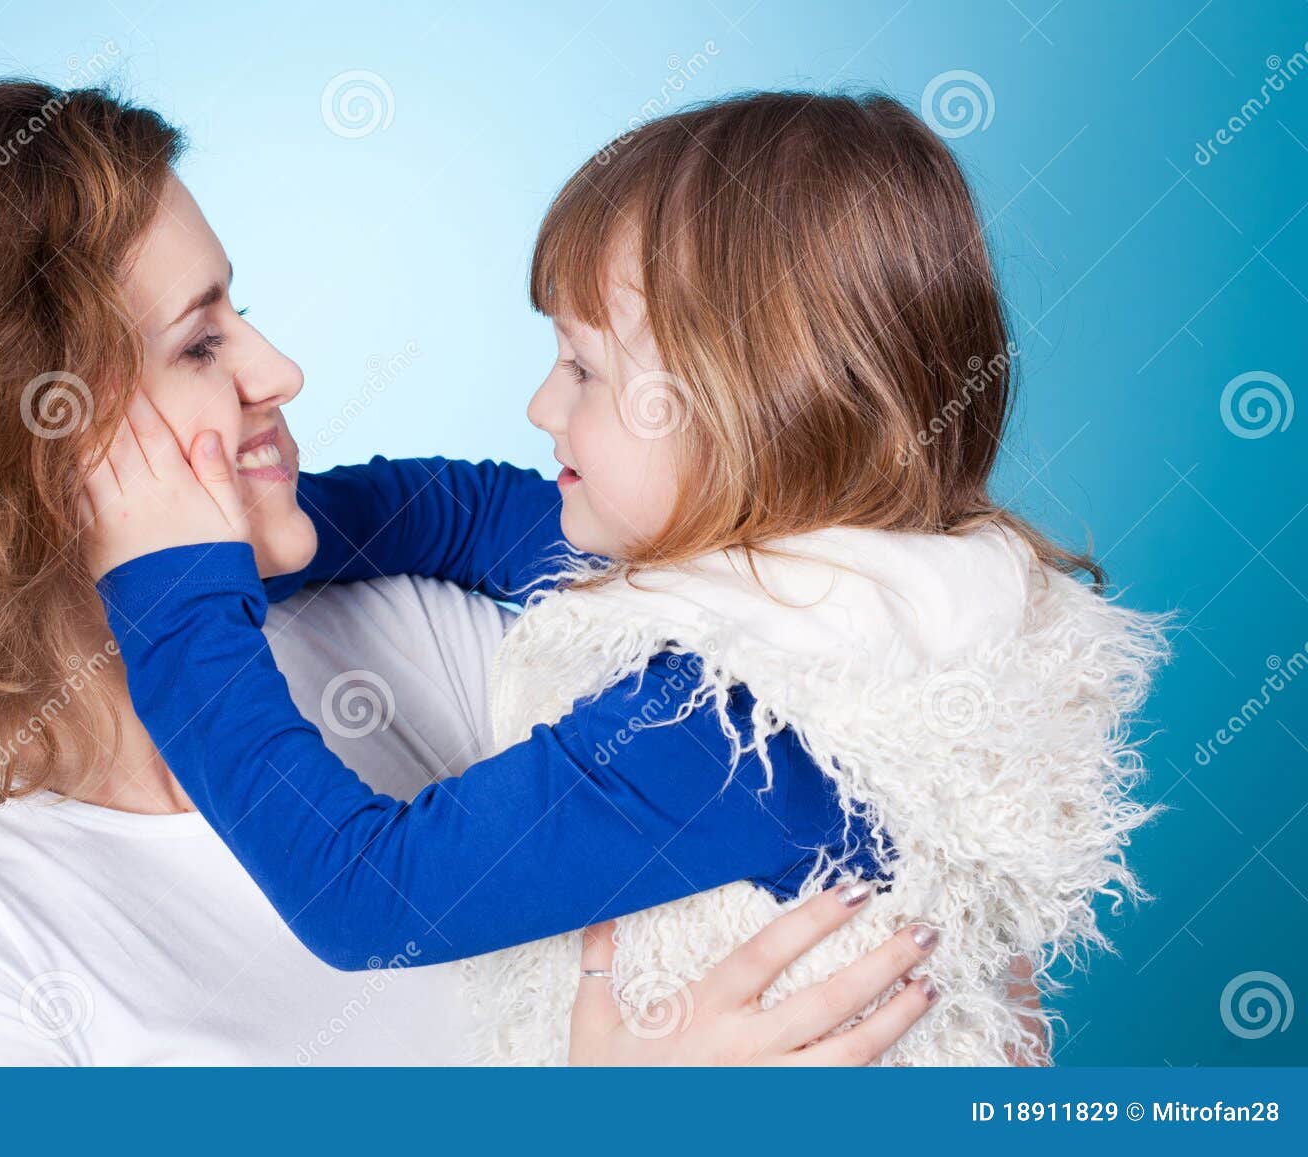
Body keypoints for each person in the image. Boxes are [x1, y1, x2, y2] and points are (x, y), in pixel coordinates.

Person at [0, 81, 939, 1065]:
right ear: (9, 452)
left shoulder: (413, 625)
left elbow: (959, 953)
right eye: (201, 341)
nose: (280, 369)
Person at [81, 92, 1161, 1066]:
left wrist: (176, 594)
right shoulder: (825, 575)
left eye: (585, 369)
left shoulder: (736, 725)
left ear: (754, 412)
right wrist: (253, 529)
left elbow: (373, 895)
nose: (544, 407)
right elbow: (462, 512)